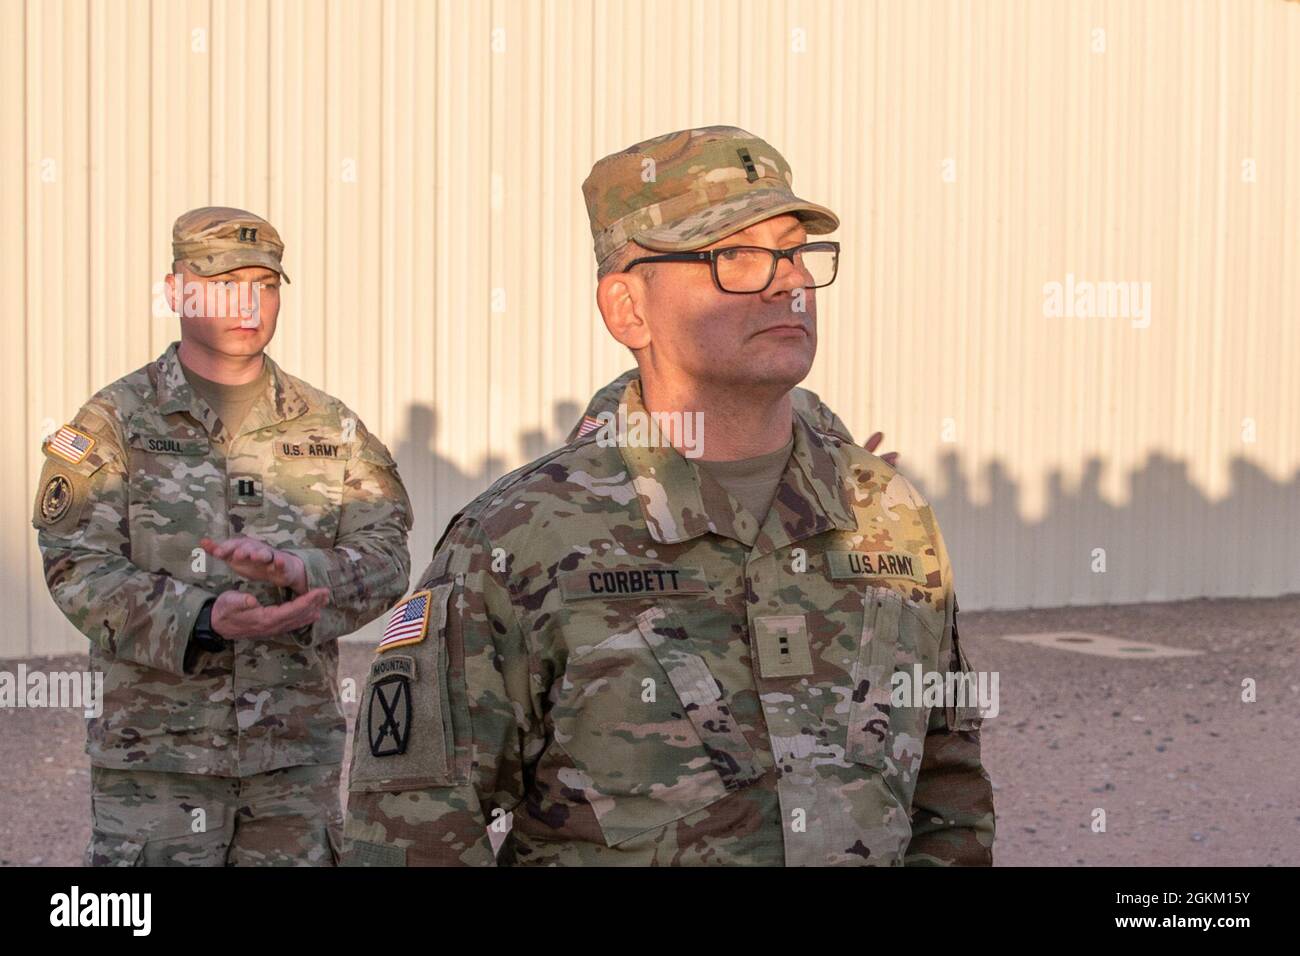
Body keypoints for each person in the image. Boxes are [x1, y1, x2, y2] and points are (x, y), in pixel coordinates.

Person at [343, 127, 994, 866]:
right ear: (628, 310)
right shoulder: (517, 542)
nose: (789, 282)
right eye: (735, 257)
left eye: (793, 252)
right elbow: (410, 833)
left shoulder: (889, 515)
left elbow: (948, 788)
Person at [33, 206, 413, 866]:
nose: (249, 304)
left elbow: (388, 550)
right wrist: (201, 620)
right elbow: (76, 565)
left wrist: (307, 576)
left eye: (264, 285)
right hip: (158, 769)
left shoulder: (329, 426)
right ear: (177, 290)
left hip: (292, 768)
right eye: (224, 284)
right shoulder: (114, 422)